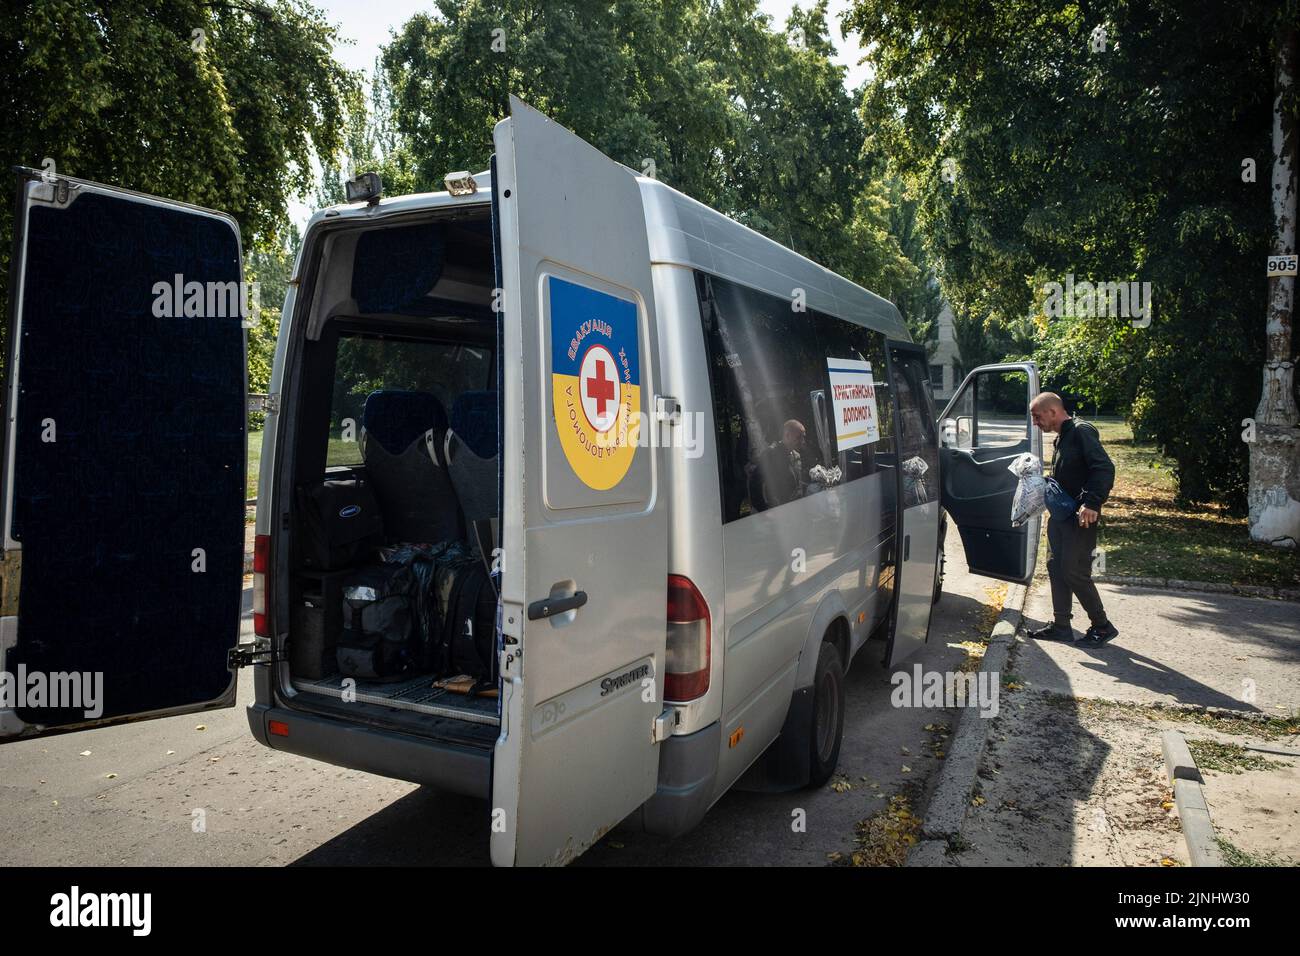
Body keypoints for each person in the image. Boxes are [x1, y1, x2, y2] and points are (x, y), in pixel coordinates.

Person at [1027, 393, 1119, 646]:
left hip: (1081, 518)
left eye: (1037, 416)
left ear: (1053, 412)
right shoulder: (1063, 437)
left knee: (1074, 571)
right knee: (1056, 569)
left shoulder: (1081, 432)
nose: (1035, 422)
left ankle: (1102, 626)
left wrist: (1092, 503)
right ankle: (1061, 626)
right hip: (1061, 517)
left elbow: (1104, 468)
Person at [755, 419, 808, 508]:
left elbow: (795, 485)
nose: (803, 441)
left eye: (803, 437)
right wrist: (764, 510)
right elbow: (755, 484)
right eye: (798, 437)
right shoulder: (770, 454)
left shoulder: (796, 456)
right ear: (787, 435)